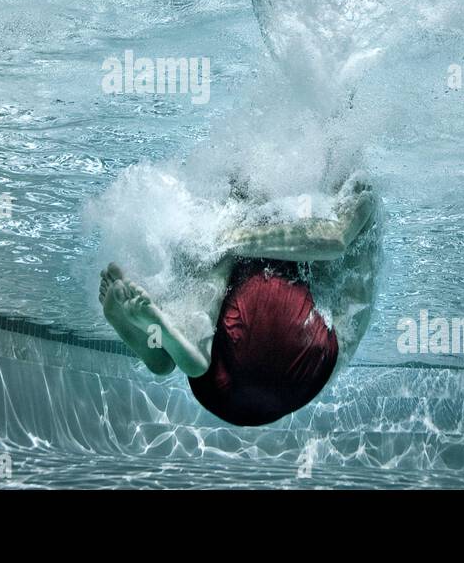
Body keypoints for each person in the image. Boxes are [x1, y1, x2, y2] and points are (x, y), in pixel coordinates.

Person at [98, 172, 379, 426]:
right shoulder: (346, 184)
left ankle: (169, 342)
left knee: (218, 252)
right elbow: (334, 238)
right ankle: (167, 340)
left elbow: (334, 239)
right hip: (302, 370)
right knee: (232, 244)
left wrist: (221, 239)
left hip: (232, 370)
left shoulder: (249, 199)